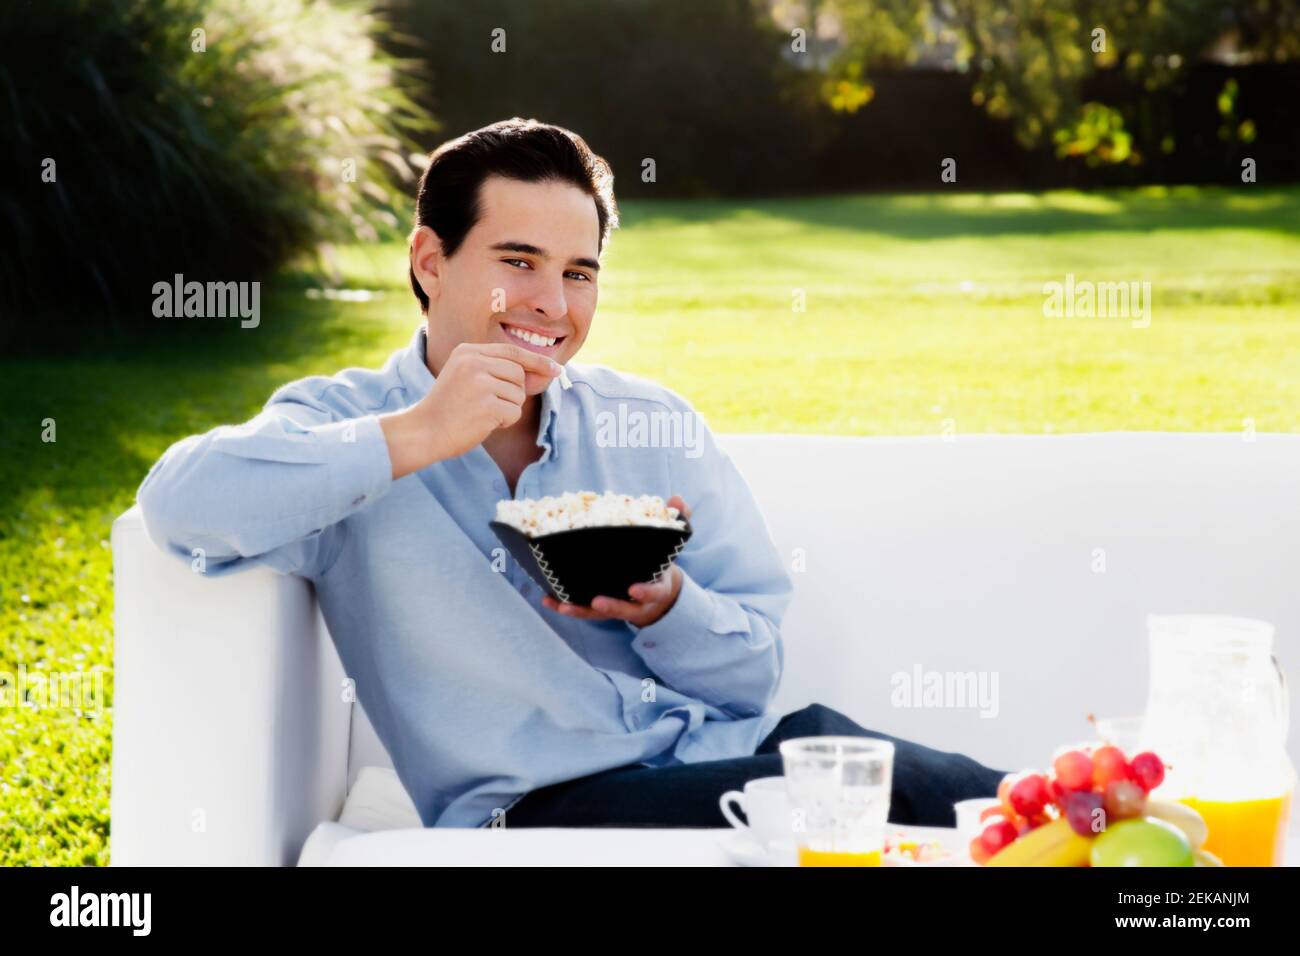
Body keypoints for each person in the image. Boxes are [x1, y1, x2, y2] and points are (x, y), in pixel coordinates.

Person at [137, 118, 1004, 831]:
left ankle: (1113, 817)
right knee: (867, 799)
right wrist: (415, 435)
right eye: (519, 262)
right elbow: (179, 502)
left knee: (926, 782)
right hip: (538, 808)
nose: (554, 304)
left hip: (717, 754)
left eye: (579, 273)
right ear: (431, 262)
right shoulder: (344, 424)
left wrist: (665, 606)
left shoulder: (651, 426)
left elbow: (752, 675)